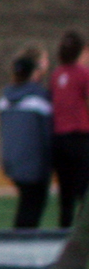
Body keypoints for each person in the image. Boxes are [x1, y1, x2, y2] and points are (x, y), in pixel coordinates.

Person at [0, 47, 53, 229]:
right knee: (32, 208)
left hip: (14, 163)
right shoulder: (38, 99)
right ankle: (22, 243)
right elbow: (45, 135)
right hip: (35, 166)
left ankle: (18, 240)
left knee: (25, 206)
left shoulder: (5, 100)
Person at [50, 31, 89, 227]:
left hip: (59, 140)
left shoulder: (56, 74)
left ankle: (63, 231)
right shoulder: (83, 73)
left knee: (66, 195)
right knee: (84, 192)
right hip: (79, 139)